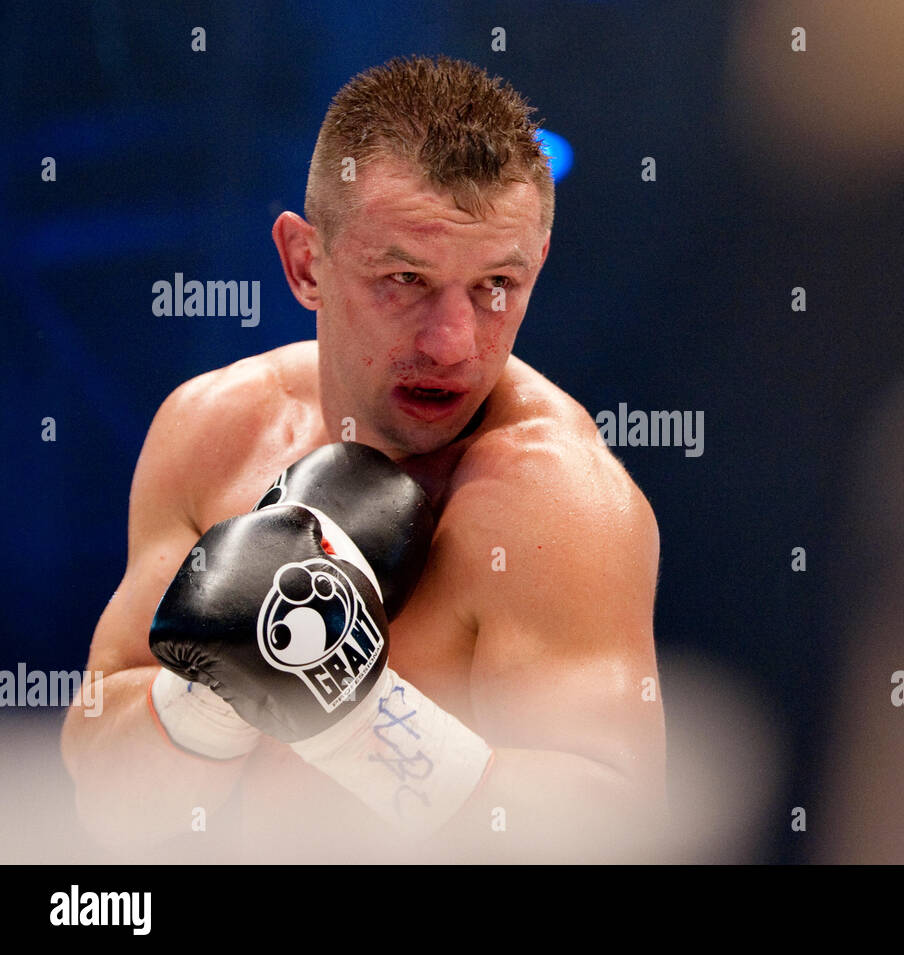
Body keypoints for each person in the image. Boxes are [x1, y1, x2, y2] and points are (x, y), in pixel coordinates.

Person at [60, 54, 665, 862]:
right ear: (305, 262)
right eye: (405, 278)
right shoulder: (212, 430)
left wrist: (356, 713)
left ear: (538, 264)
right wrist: (207, 702)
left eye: (496, 283)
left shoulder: (555, 502)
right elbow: (105, 800)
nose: (452, 343)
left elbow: (614, 831)